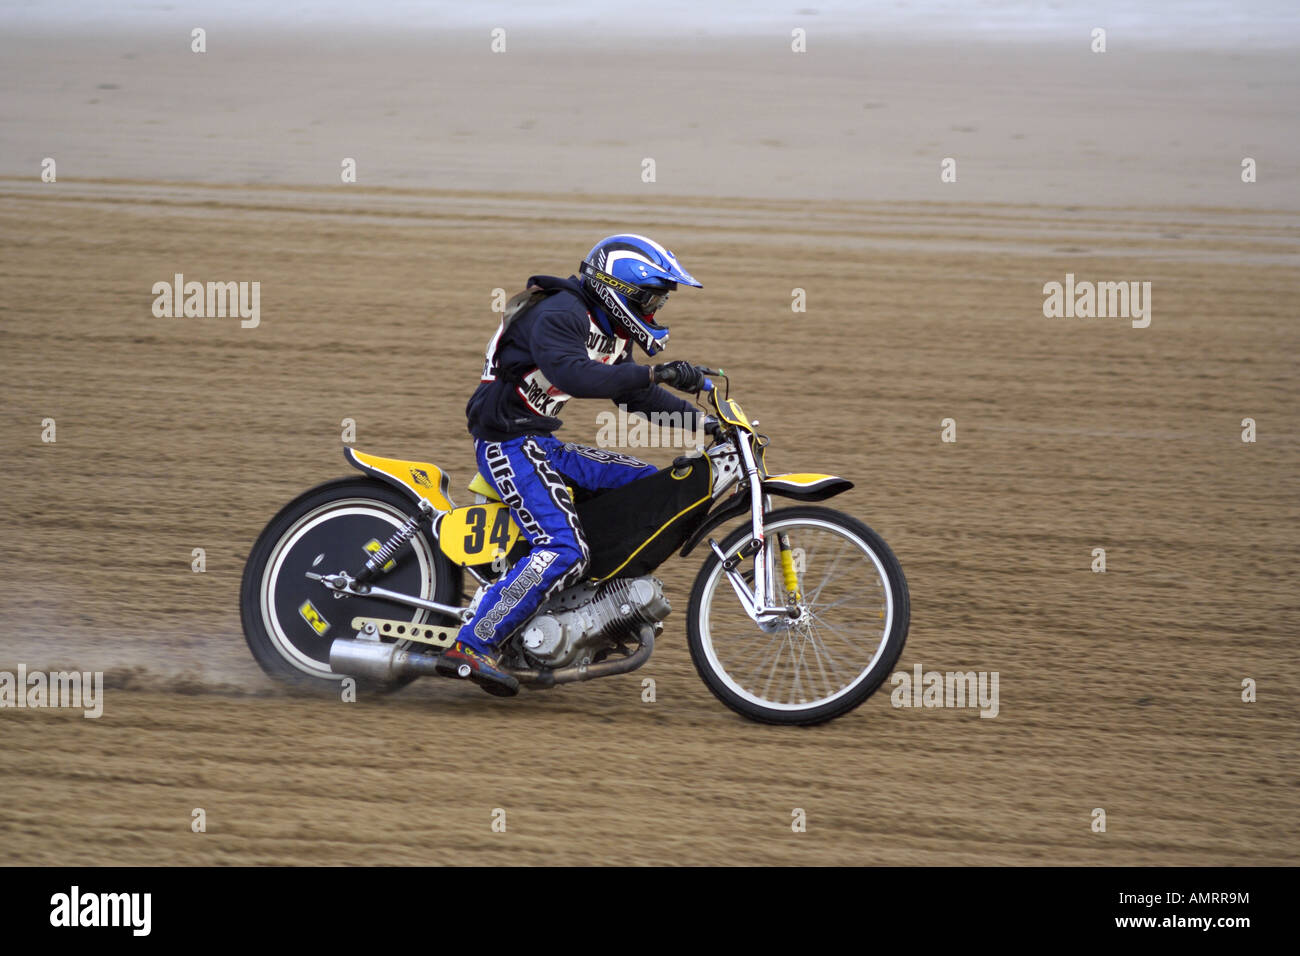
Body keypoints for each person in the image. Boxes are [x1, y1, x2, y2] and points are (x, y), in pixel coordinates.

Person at [436, 234, 713, 695]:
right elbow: (572, 374)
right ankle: (473, 643)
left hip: (541, 442)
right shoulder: (561, 312)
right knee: (564, 548)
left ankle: (579, 606)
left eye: (660, 302)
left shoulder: (609, 327)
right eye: (650, 299)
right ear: (615, 289)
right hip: (506, 441)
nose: (655, 311)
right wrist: (653, 371)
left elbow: (633, 394)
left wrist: (705, 425)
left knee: (648, 486)